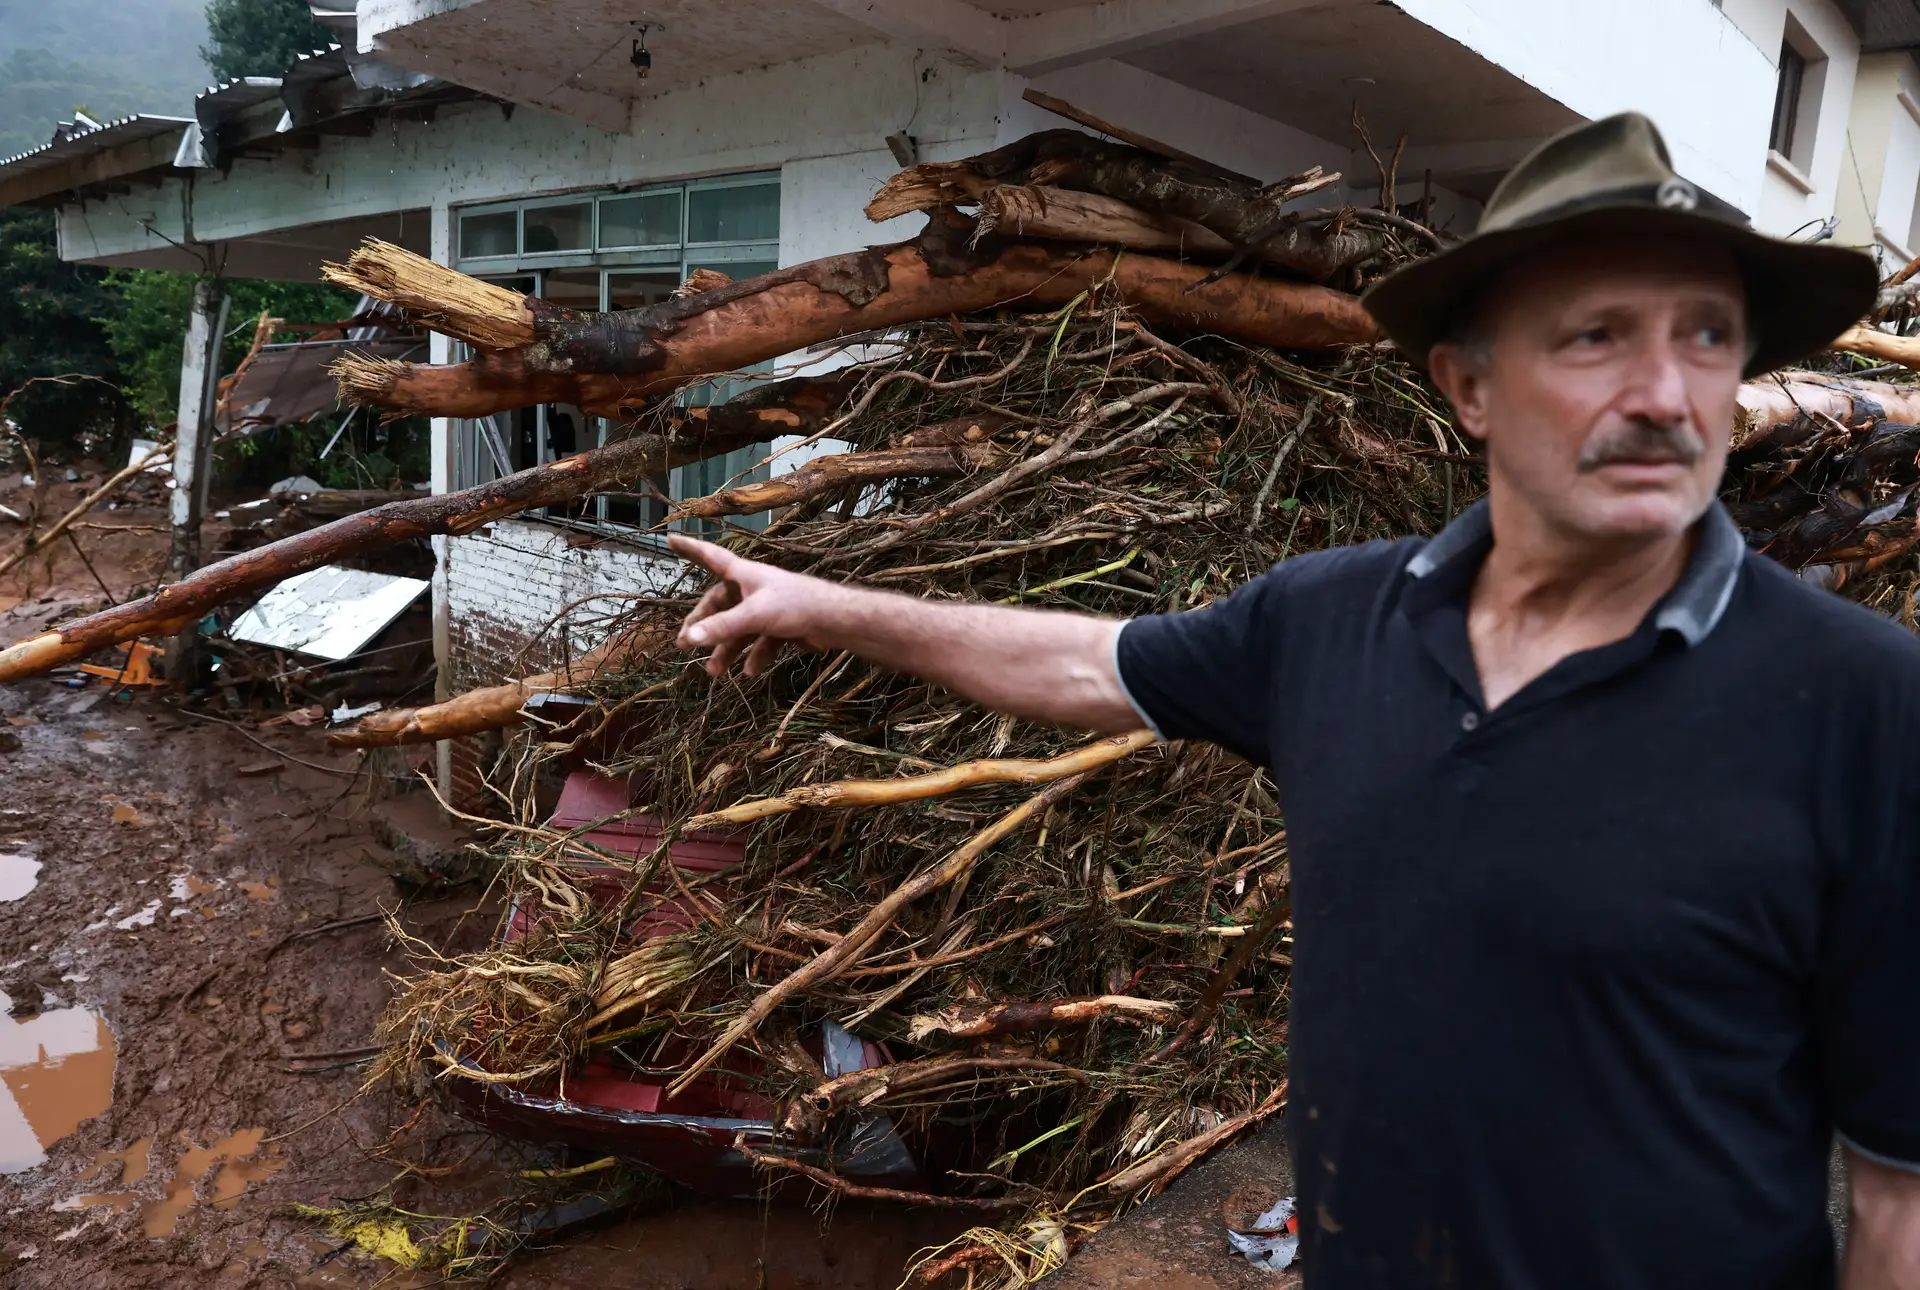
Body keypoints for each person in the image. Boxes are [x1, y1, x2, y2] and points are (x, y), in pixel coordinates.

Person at [666, 114, 1920, 1288]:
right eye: (1594, 335)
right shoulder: (1330, 620)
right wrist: (822, 605)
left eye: (1706, 335)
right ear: (1468, 388)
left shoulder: (1862, 704)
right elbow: (1080, 662)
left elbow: (1899, 1186)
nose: (1666, 392)